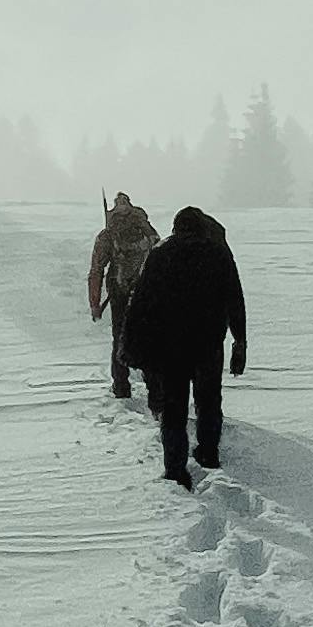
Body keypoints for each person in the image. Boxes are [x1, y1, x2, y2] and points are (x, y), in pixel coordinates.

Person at [123, 203, 247, 488]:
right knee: (209, 401)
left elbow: (140, 303)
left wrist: (131, 344)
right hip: (208, 344)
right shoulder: (218, 254)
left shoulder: (160, 255)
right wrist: (240, 340)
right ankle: (209, 453)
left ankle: (176, 468)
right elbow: (234, 298)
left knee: (174, 407)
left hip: (171, 347)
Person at [86, 191, 158, 399]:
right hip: (147, 291)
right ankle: (155, 385)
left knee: (120, 337)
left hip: (120, 291)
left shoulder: (108, 234)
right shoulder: (146, 229)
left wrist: (95, 303)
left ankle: (121, 386)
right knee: (149, 337)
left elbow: (96, 270)